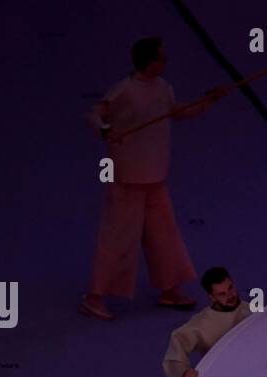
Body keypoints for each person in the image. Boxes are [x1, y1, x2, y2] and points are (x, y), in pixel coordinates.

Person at [80, 37, 228, 321]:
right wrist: (104, 129)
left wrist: (209, 99)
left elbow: (177, 112)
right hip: (128, 177)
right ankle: (94, 297)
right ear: (149, 61)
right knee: (118, 239)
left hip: (155, 176)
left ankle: (169, 289)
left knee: (164, 237)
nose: (165, 62)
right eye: (161, 58)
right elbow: (95, 114)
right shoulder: (124, 90)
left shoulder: (163, 88)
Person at [161, 266, 252, 377]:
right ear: (212, 297)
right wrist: (184, 372)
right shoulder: (201, 324)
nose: (230, 295)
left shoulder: (249, 309)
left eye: (230, 288)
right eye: (222, 294)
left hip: (252, 371)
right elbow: (177, 343)